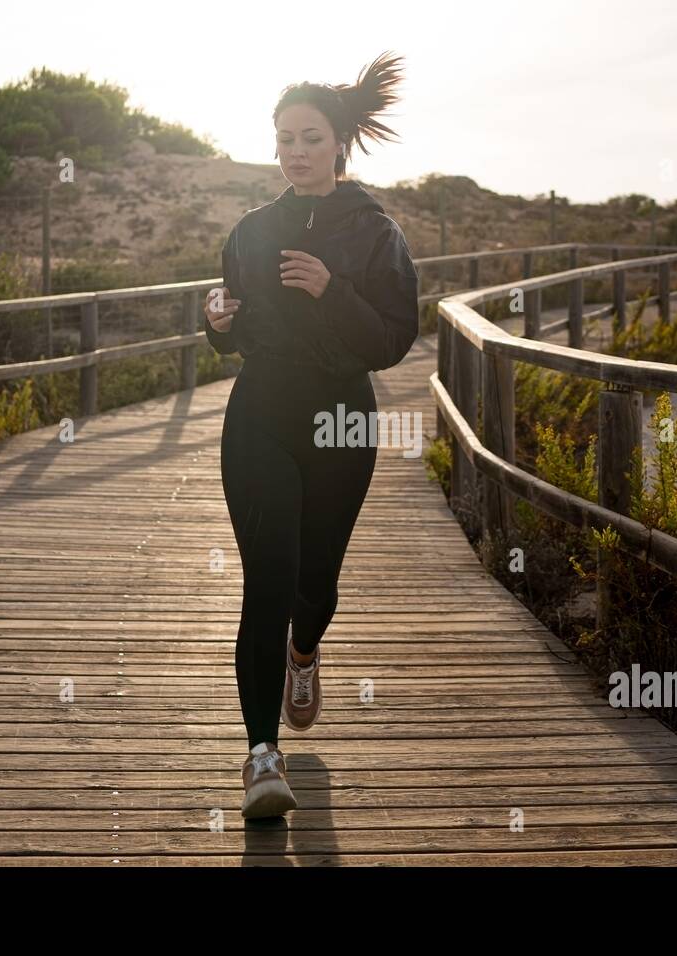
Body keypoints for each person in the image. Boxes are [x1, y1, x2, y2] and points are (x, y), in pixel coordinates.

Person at [202, 51, 419, 819]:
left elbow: (393, 340)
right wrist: (216, 323)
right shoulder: (251, 232)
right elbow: (236, 323)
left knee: (313, 584)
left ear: (338, 145)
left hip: (338, 421)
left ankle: (305, 649)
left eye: (310, 136)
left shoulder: (374, 233)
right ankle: (262, 754)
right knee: (267, 577)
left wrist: (335, 290)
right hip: (259, 413)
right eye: (284, 136)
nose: (295, 150)